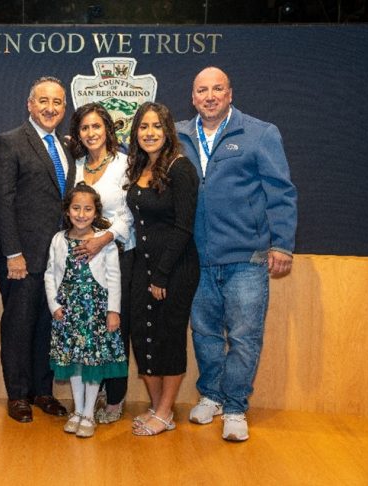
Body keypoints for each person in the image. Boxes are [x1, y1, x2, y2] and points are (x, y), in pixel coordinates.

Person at [176, 67, 297, 441]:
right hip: (196, 257)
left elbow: (281, 192)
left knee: (244, 336)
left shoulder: (260, 133)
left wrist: (282, 244)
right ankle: (211, 395)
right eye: (202, 90)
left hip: (247, 257)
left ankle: (235, 407)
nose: (210, 96)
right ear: (193, 97)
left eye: (217, 89)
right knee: (205, 333)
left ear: (230, 93)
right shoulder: (177, 135)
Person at [0, 76, 75, 422]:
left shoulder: (66, 148)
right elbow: (1, 202)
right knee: (19, 327)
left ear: (64, 108)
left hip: (57, 260)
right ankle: (18, 394)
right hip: (22, 259)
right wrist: (13, 253)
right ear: (29, 104)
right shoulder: (9, 143)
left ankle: (43, 391)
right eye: (43, 101)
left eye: (57, 102)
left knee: (47, 328)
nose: (50, 108)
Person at [125, 102, 200, 436]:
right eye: (143, 126)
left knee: (168, 338)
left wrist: (161, 274)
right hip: (141, 266)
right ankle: (156, 407)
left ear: (168, 131)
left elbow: (184, 228)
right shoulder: (139, 166)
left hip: (174, 269)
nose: (150, 132)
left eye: (156, 126)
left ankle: (166, 411)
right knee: (143, 336)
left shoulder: (180, 169)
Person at [67, 103, 135, 424]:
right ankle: (93, 393)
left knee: (115, 326)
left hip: (117, 254)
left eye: (96, 126)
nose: (91, 133)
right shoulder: (76, 166)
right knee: (90, 328)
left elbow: (130, 212)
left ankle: (115, 397)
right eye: (85, 128)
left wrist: (103, 239)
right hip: (83, 259)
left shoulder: (125, 164)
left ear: (108, 129)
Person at [44, 183, 127, 438]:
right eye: (76, 208)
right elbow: (50, 274)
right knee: (74, 363)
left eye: (88, 209)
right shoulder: (58, 239)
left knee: (93, 362)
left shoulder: (103, 242)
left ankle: (89, 412)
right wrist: (54, 305)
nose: (81, 214)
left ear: (96, 212)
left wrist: (113, 311)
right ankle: (78, 410)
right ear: (67, 211)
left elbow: (114, 277)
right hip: (68, 312)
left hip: (95, 312)